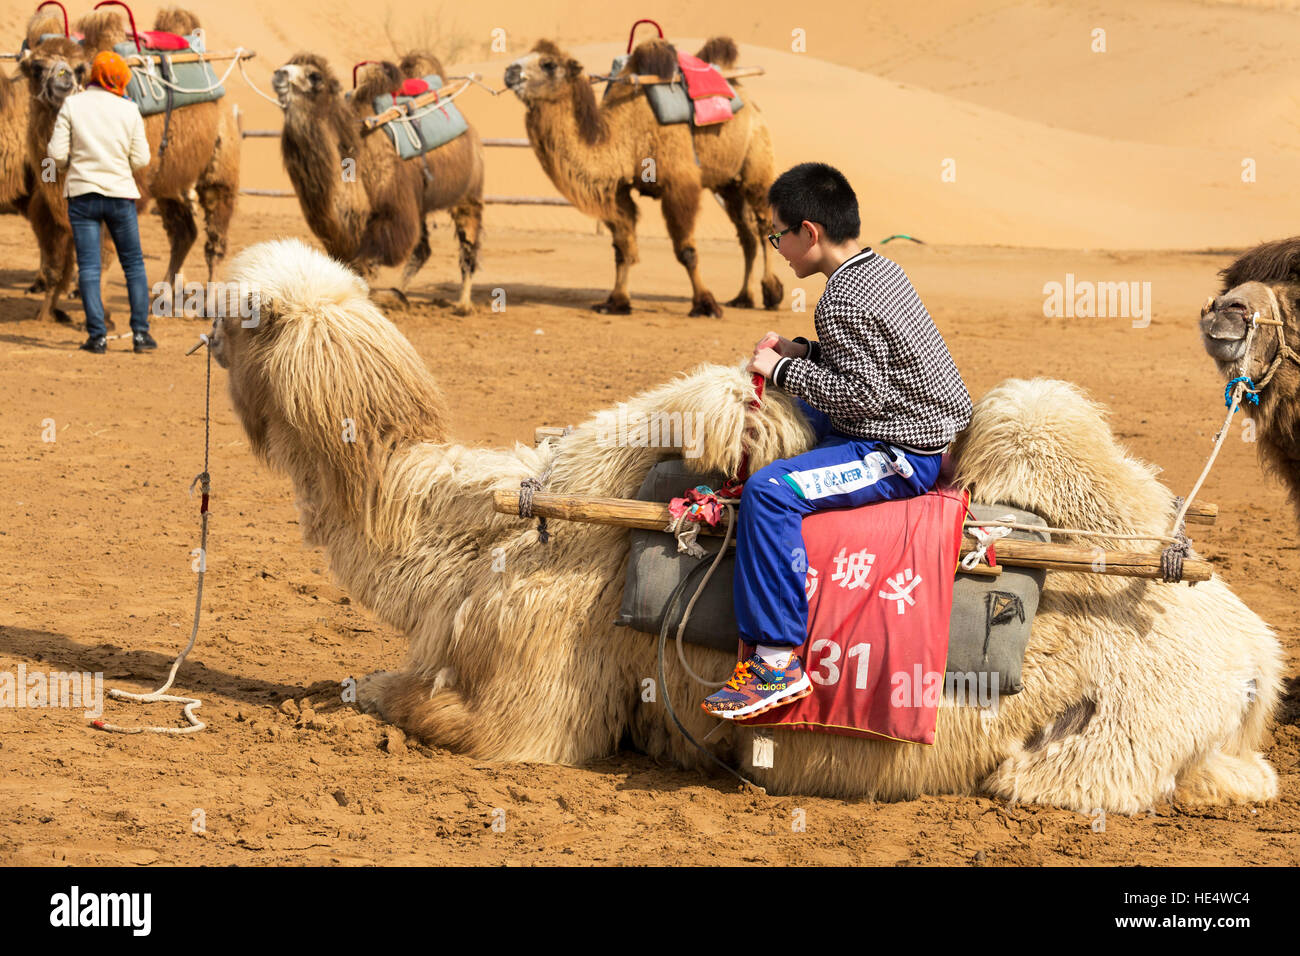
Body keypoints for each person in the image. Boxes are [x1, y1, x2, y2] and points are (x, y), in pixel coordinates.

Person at [701, 162, 973, 720]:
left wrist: (779, 373)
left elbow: (861, 396)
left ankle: (775, 662)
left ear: (811, 233)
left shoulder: (841, 300)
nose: (776, 247)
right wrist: (804, 354)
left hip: (900, 454)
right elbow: (872, 361)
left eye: (778, 235)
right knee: (793, 413)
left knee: (769, 490)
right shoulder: (878, 270)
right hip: (909, 418)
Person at [47, 50, 155, 354]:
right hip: (120, 196)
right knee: (133, 264)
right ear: (118, 78)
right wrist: (117, 166)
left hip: (82, 197)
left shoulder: (71, 104)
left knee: (90, 268)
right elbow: (142, 158)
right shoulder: (129, 110)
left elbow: (55, 155)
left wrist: (75, 167)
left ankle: (97, 337)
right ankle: (140, 335)